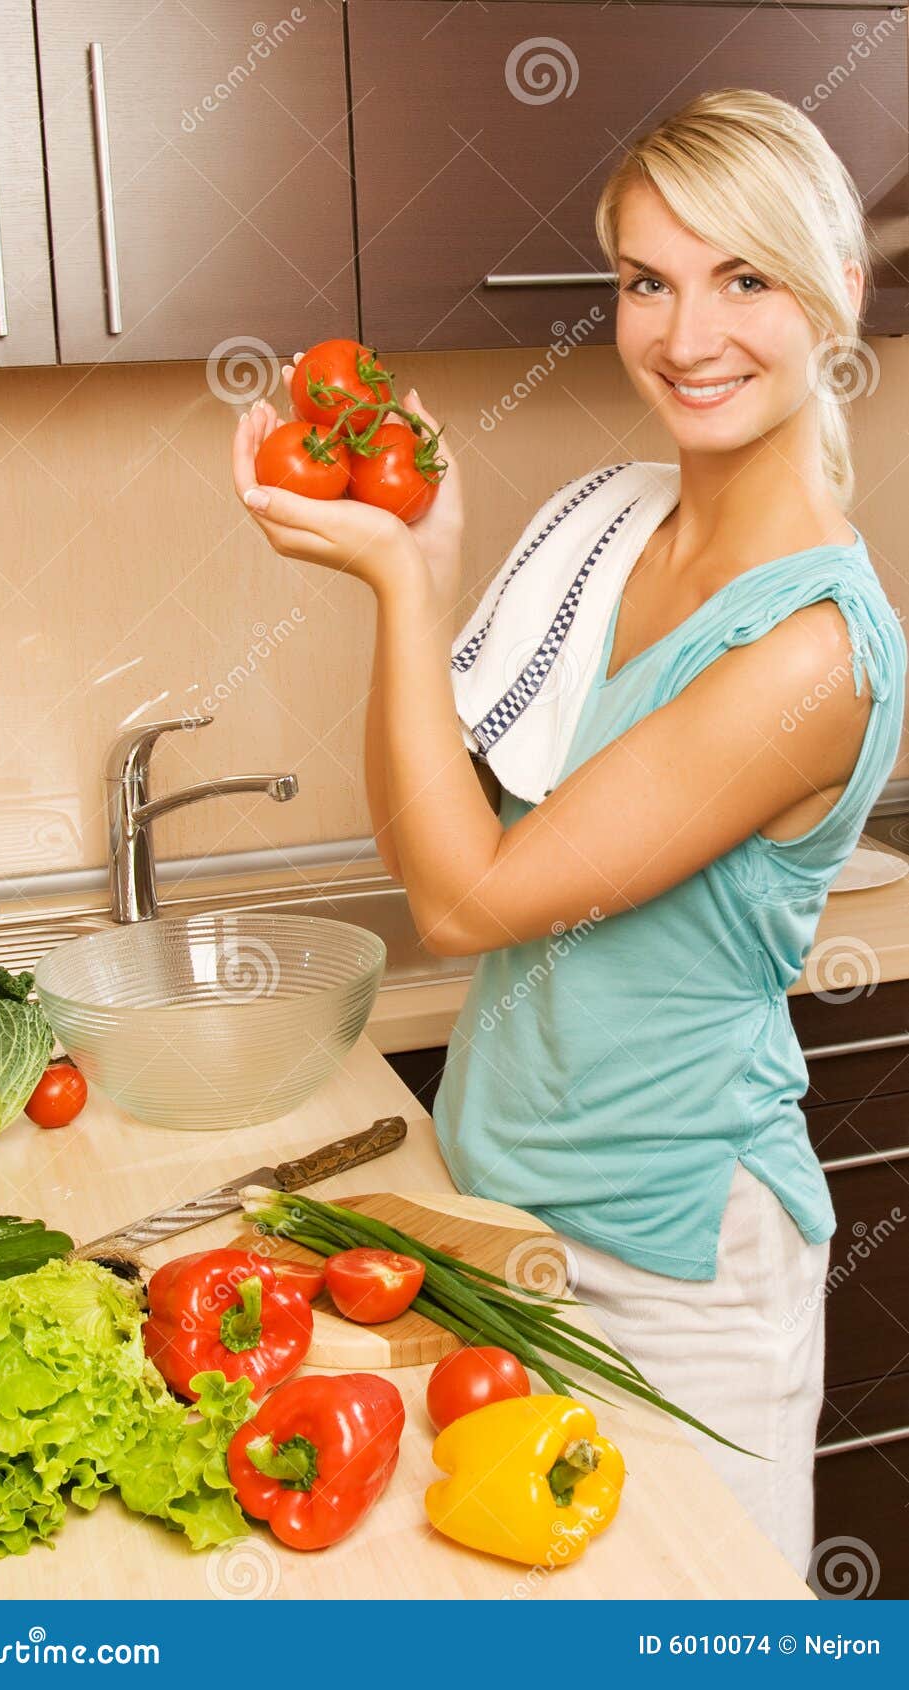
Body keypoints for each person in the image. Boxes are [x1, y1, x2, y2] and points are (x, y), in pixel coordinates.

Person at [231, 87, 907, 1581]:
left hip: (674, 1263)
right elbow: (429, 834)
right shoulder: (623, 525)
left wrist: (398, 588)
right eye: (647, 281)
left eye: (744, 276)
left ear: (840, 293)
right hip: (502, 1218)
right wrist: (429, 567)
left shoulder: (813, 650)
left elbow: (462, 907)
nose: (686, 334)